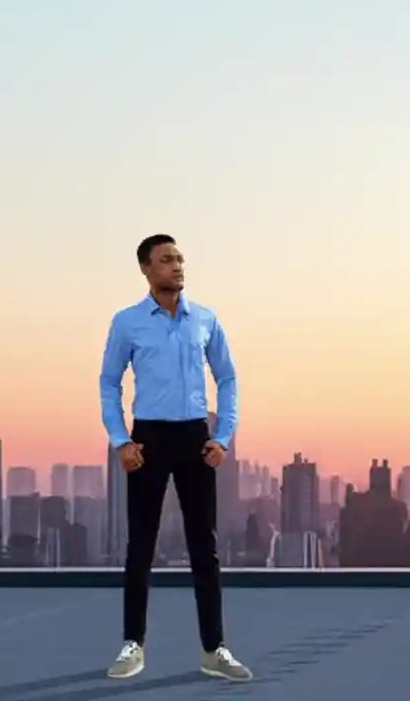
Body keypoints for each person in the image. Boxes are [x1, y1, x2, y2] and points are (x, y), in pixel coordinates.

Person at [98, 234, 252, 682]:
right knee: (140, 546)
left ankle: (214, 649)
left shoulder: (205, 319)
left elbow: (227, 378)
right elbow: (109, 382)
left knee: (205, 547)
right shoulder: (127, 322)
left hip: (195, 438)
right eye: (166, 259)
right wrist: (121, 440)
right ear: (146, 268)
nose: (177, 266)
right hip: (147, 439)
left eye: (180, 258)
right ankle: (133, 645)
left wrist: (222, 437)